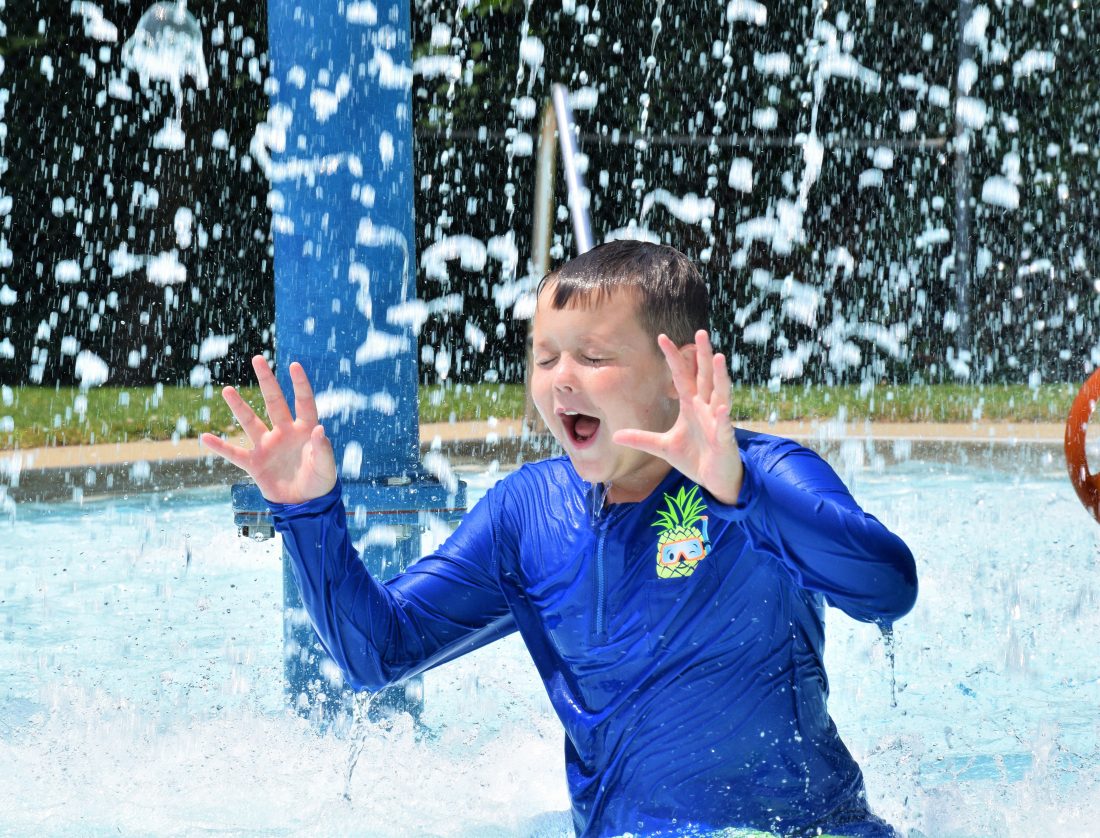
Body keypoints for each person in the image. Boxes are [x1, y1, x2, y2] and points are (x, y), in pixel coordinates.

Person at [202, 240, 918, 837]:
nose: (561, 381)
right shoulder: (529, 514)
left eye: (593, 357)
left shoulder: (766, 473)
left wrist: (742, 494)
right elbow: (377, 653)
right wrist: (307, 514)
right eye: (545, 359)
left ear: (680, 374)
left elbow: (889, 589)